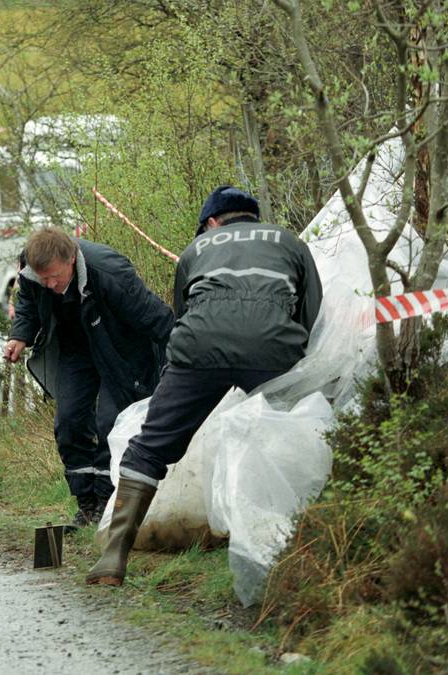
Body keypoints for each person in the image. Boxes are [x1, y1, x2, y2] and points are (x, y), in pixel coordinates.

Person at [87, 186, 322, 586]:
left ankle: (113, 559)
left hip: (199, 349)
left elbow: (184, 310)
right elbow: (310, 310)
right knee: (295, 432)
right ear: (253, 217)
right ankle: (296, 548)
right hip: (273, 345)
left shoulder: (197, 248)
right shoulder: (290, 241)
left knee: (149, 446)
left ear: (212, 222)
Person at [4, 227, 173, 529]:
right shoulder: (33, 271)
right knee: (68, 421)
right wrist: (20, 336)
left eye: (56, 276)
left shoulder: (110, 272)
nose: (52, 285)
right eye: (45, 279)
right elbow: (28, 303)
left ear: (72, 259)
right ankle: (86, 505)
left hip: (120, 350)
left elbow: (157, 318)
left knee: (110, 423)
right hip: (76, 349)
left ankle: (108, 502)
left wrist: (186, 358)